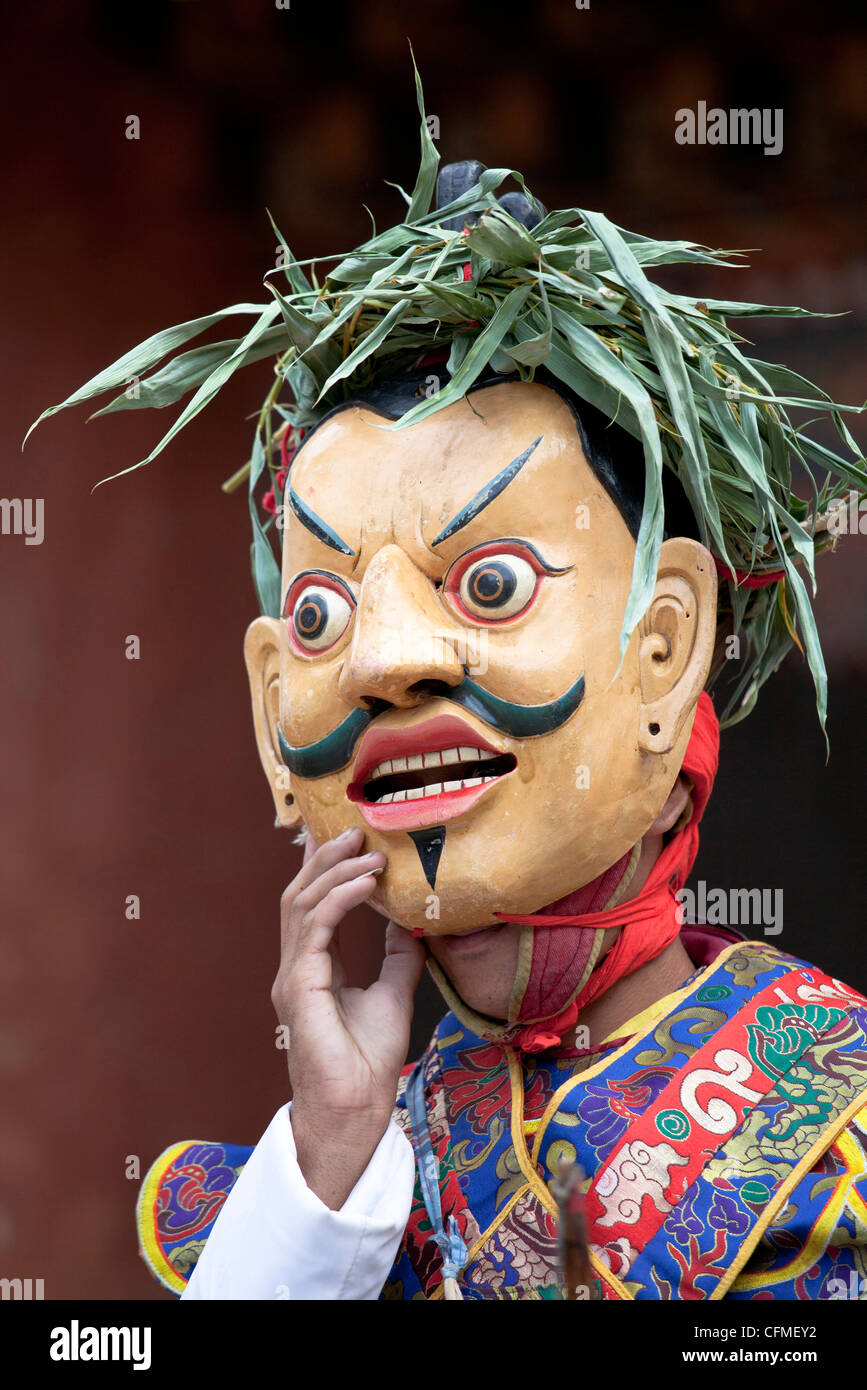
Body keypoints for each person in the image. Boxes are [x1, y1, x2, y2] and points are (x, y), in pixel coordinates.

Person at [32, 85, 867, 1300]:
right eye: (320, 616)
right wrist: (326, 1169)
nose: (382, 660)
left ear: (664, 643)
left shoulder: (823, 1114)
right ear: (277, 714)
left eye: (488, 582)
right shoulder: (349, 1168)